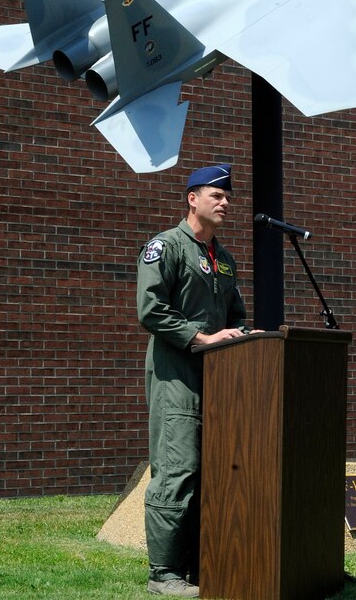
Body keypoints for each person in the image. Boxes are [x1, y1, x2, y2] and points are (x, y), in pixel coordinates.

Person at [137, 163, 253, 598]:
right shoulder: (164, 247)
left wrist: (242, 334)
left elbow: (235, 314)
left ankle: (201, 562)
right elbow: (151, 310)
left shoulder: (224, 259)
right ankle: (163, 572)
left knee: (215, 470)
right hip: (177, 377)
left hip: (221, 380)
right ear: (192, 198)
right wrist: (202, 337)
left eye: (228, 197)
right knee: (178, 469)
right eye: (216, 196)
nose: (226, 203)